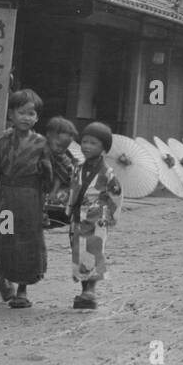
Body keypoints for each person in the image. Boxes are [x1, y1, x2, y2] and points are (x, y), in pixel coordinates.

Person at [0, 89, 53, 309]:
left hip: (31, 200)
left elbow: (48, 177)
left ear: (37, 118)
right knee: (5, 239)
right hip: (7, 199)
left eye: (31, 114)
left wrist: (47, 198)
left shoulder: (42, 144)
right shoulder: (3, 142)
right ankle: (4, 278)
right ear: (11, 115)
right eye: (21, 112)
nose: (26, 118)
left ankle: (23, 290)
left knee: (28, 242)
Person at [68, 122, 122, 310]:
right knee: (79, 251)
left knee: (93, 251)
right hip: (78, 216)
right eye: (84, 142)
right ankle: (84, 289)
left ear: (104, 149)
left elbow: (115, 195)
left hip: (97, 217)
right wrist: (69, 208)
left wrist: (109, 217)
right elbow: (73, 191)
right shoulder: (77, 169)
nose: (87, 146)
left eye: (93, 143)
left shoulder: (107, 172)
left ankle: (90, 290)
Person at [43, 116, 78, 222]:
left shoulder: (62, 157)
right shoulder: (39, 147)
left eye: (65, 147)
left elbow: (60, 176)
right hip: (40, 181)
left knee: (63, 197)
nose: (61, 149)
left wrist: (54, 191)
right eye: (59, 145)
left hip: (57, 185)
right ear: (48, 135)